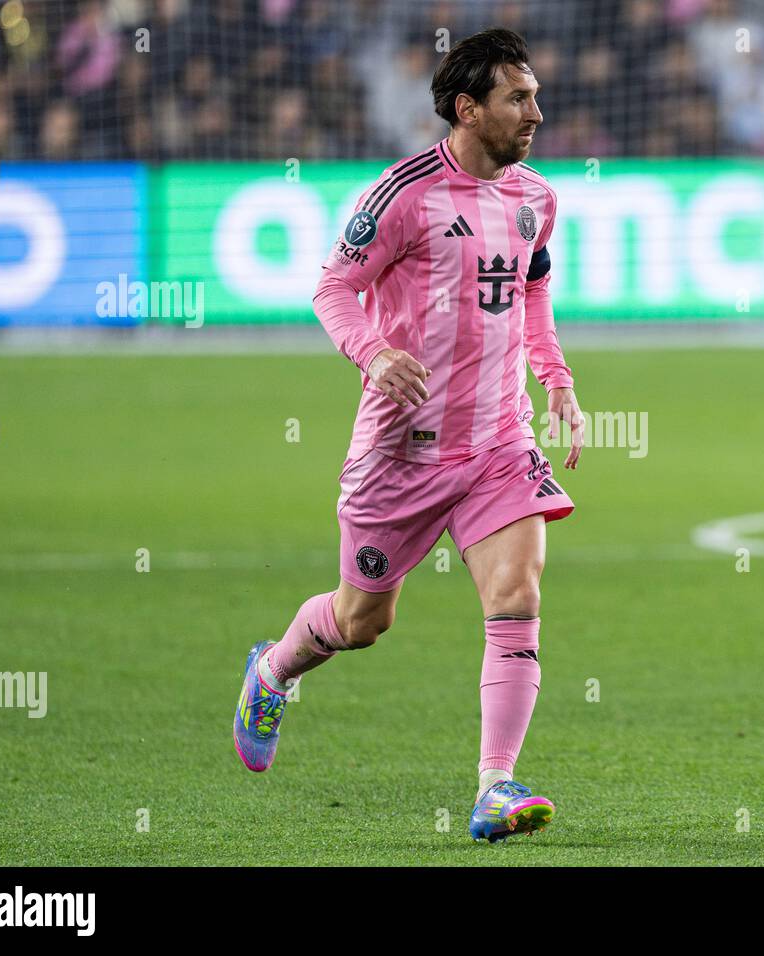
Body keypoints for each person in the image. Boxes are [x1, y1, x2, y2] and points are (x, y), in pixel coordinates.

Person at [232, 28, 584, 844]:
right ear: (468, 108)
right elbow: (333, 288)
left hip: (498, 439)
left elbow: (533, 292)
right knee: (362, 623)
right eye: (518, 98)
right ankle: (274, 669)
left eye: (533, 95)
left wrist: (555, 377)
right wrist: (375, 351)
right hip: (401, 451)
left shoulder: (536, 197)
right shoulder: (401, 194)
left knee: (518, 593)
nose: (537, 111)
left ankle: (495, 787)